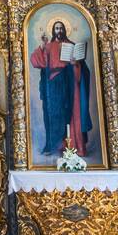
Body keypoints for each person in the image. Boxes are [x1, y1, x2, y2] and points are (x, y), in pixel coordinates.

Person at [29, 19, 92, 157]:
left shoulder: (71, 45)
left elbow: (83, 70)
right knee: (55, 113)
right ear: (53, 30)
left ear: (64, 30)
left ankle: (75, 145)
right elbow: (37, 61)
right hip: (55, 83)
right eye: (57, 28)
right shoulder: (49, 46)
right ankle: (56, 145)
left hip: (70, 80)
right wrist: (42, 44)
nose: (59, 31)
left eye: (61, 28)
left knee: (73, 111)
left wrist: (76, 64)